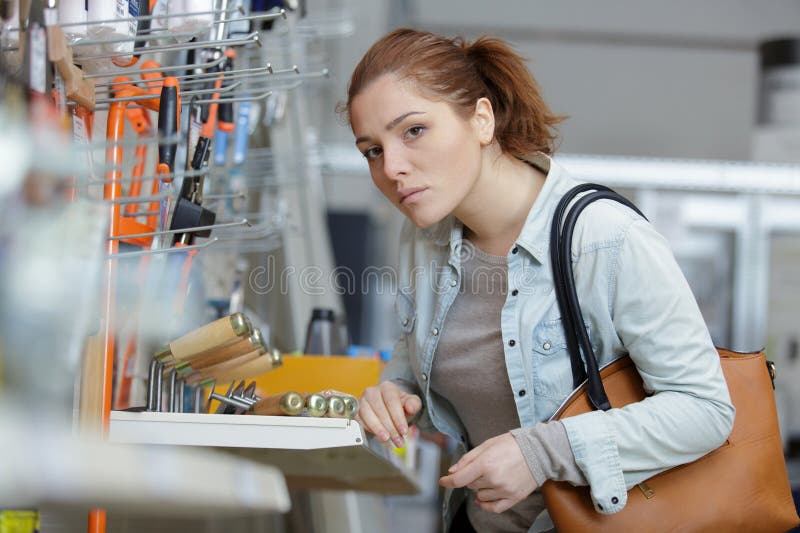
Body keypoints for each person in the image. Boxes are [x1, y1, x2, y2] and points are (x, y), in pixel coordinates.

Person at [343, 28, 735, 532]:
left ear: (481, 119)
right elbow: (421, 338)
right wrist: (395, 390)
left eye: (413, 130)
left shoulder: (604, 238)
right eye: (371, 150)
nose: (392, 167)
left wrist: (541, 451)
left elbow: (705, 409)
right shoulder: (424, 236)